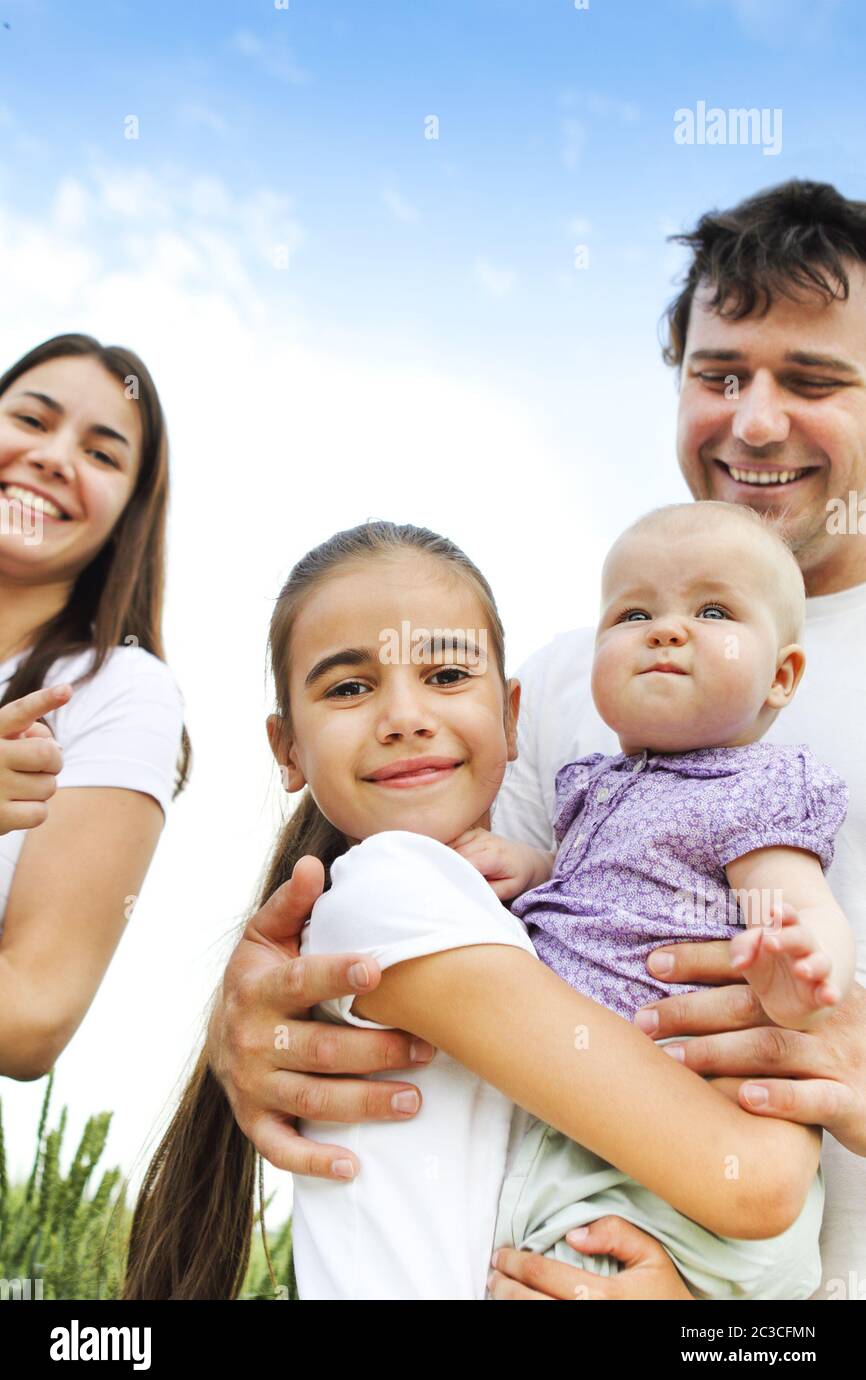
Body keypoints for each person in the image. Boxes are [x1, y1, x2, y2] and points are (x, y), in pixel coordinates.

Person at [206, 178, 866, 1301]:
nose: (753, 421)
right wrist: (256, 1020)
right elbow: (465, 974)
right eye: (717, 375)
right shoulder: (575, 679)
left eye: (811, 380)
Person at [124, 520, 836, 1301]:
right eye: (350, 687)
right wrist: (803, 1043)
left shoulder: (487, 908)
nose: (403, 715)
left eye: (447, 675)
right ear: (287, 748)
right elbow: (757, 1188)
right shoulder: (391, 886)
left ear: (511, 718)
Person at [0, 333, 188, 1082]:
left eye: (103, 454)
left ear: (128, 516)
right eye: (32, 421)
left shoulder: (118, 689)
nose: (54, 458)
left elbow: (31, 1019)